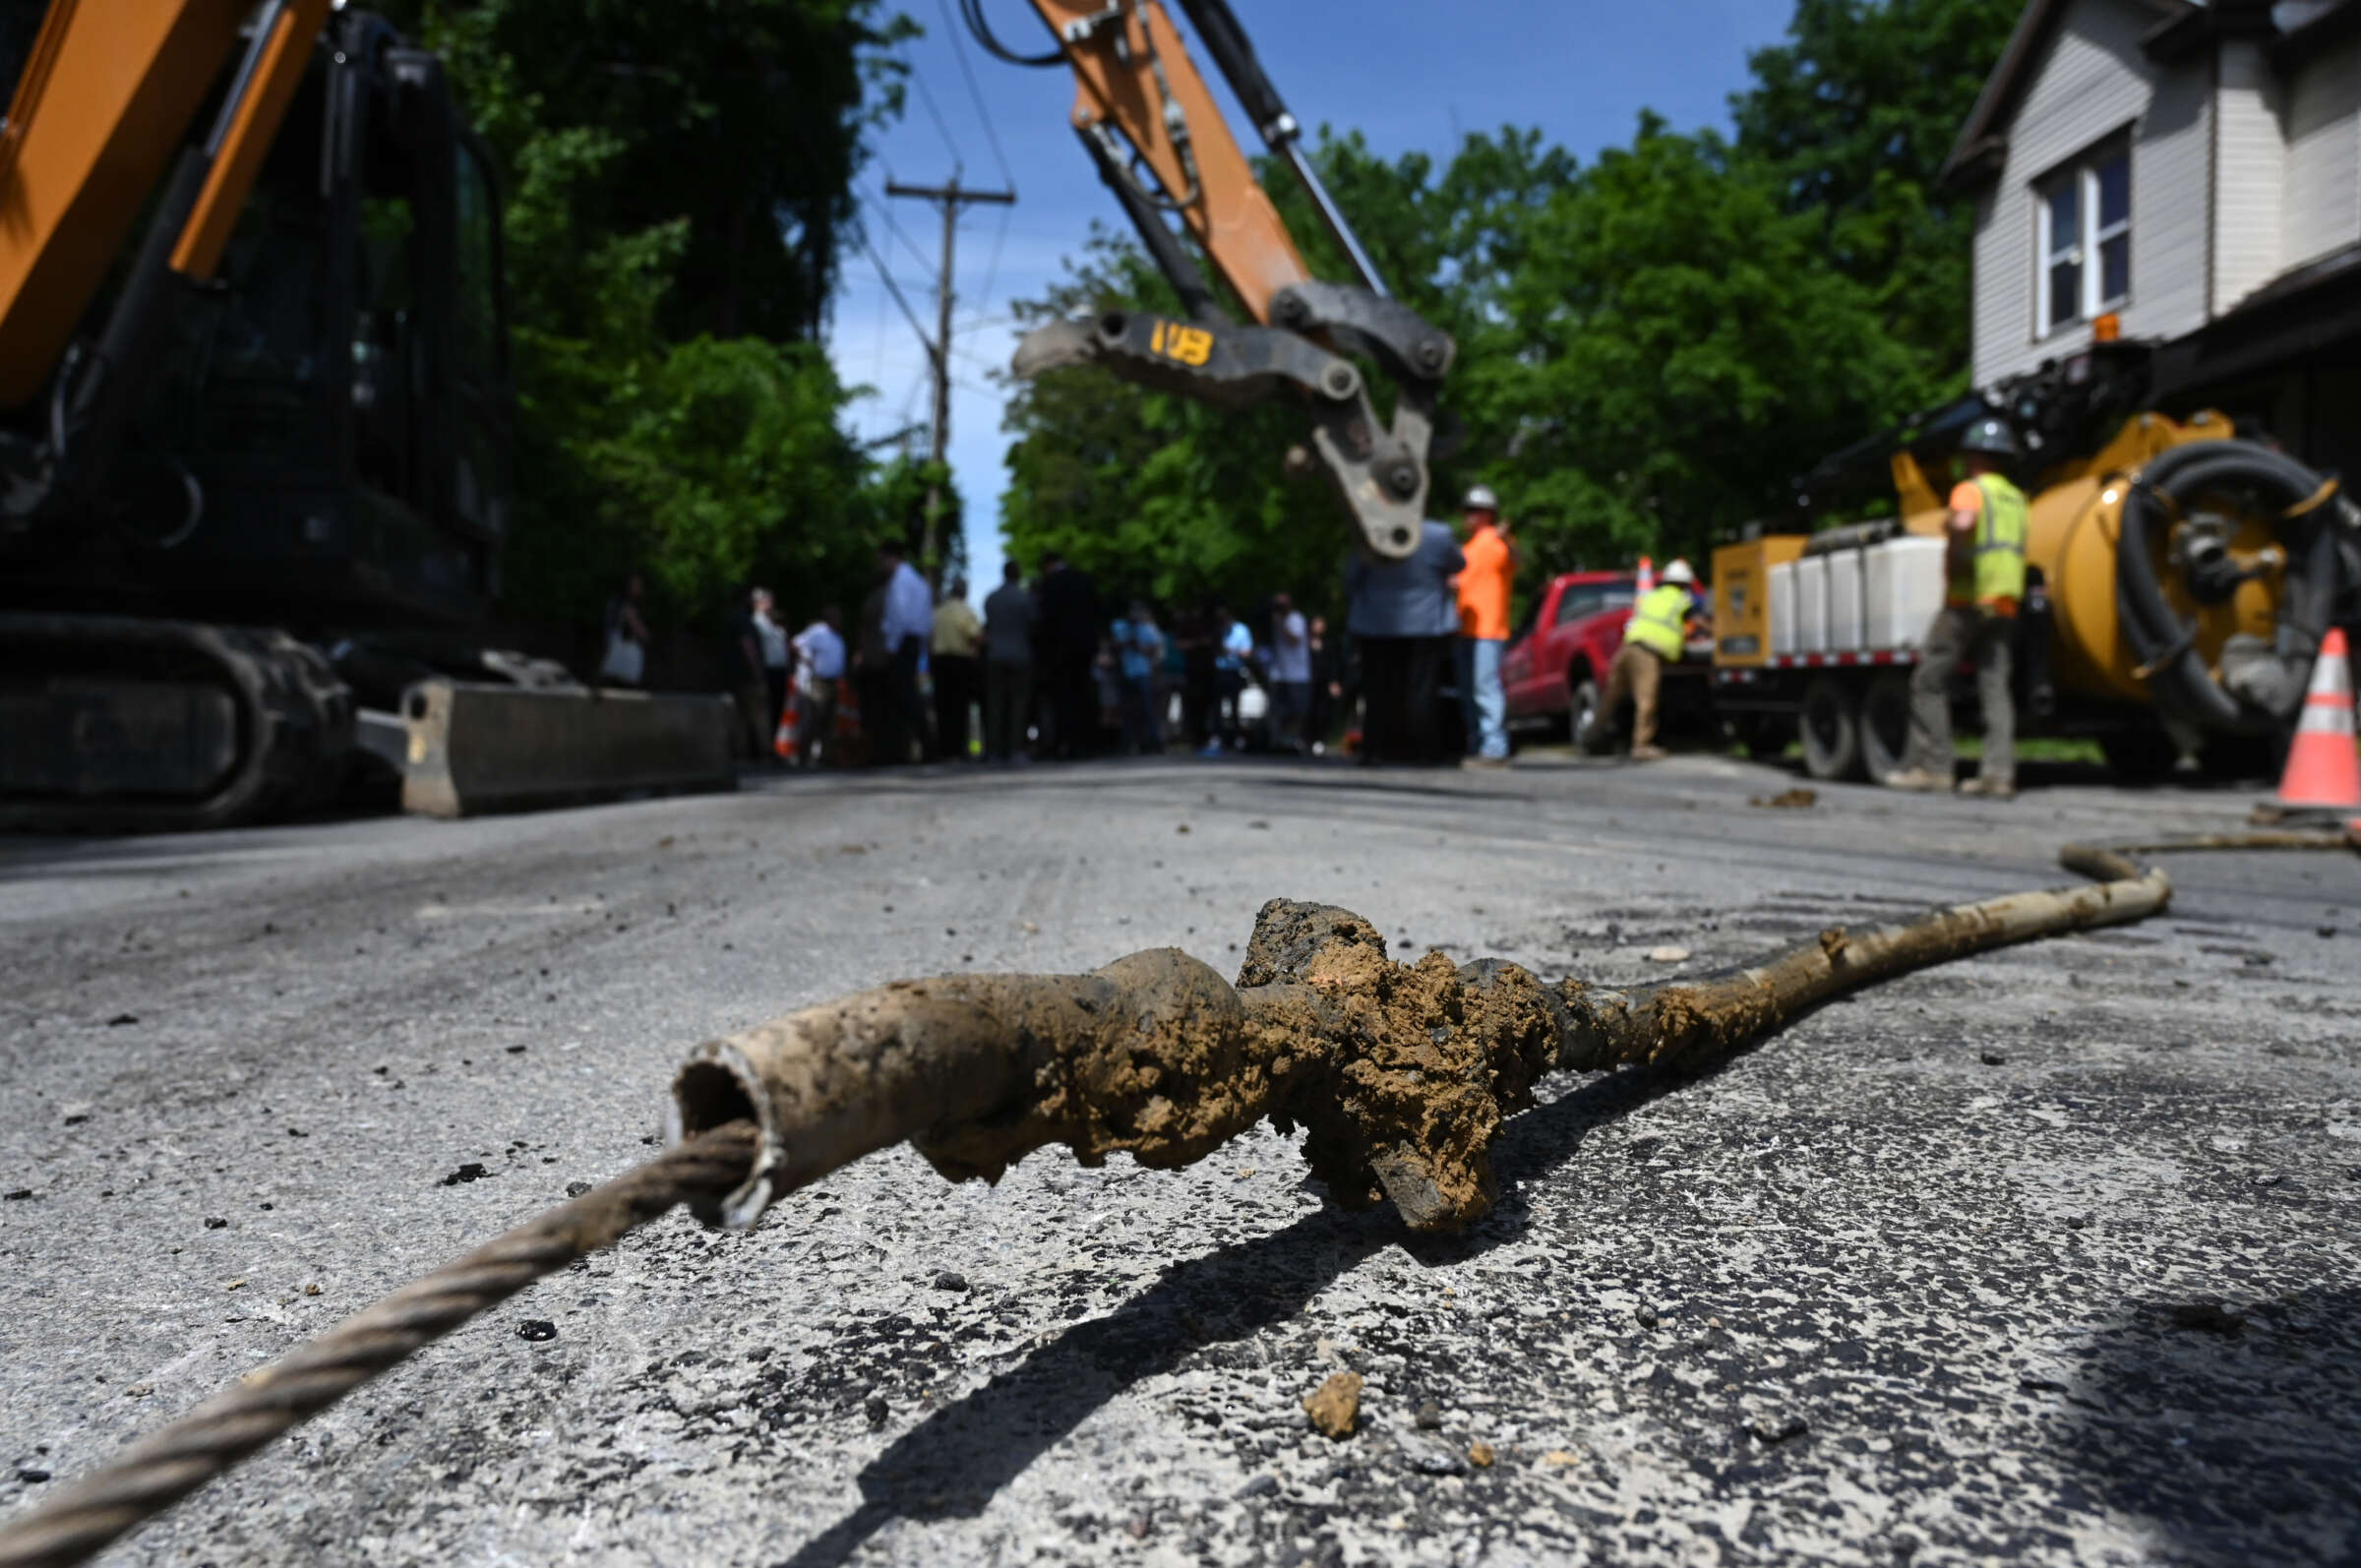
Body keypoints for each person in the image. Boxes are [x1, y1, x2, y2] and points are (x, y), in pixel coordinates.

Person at [1889, 417, 2028, 798]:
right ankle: (1998, 775)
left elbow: (1964, 522)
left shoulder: (1970, 490)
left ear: (1974, 457)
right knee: (1995, 688)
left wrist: (1955, 537)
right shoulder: (2016, 498)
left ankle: (1934, 769)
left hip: (1969, 599)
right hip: (2005, 601)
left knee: (1928, 680)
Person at [1346, 519, 1465, 763]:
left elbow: (1351, 577)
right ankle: (1423, 750)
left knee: (1378, 691)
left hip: (1377, 624)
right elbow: (1459, 564)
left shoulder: (1371, 531)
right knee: (1422, 691)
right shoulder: (1439, 534)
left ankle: (1375, 749)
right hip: (1426, 623)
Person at [1582, 558, 1699, 762]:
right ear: (1684, 583)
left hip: (1627, 647)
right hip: (1647, 653)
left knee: (1610, 697)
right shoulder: (1682, 600)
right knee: (1647, 700)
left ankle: (1591, 739)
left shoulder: (1652, 595)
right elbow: (1697, 621)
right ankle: (1641, 746)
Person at [1452, 486, 1517, 768]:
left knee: (1485, 689)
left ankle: (1495, 749)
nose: (1467, 517)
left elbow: (1516, 559)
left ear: (1488, 514)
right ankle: (1478, 745)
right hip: (1465, 629)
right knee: (1469, 691)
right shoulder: (1467, 548)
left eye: (1473, 511)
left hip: (1488, 630)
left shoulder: (1495, 542)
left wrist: (1509, 542)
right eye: (1465, 511)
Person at [1034, 553, 1101, 759]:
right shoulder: (1084, 580)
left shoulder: (1050, 584)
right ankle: (1088, 742)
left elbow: (1045, 620)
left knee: (1064, 697)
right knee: (1084, 692)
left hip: (1060, 649)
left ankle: (1067, 742)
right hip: (1085, 646)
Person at [876, 541, 933, 765]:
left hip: (902, 641)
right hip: (914, 640)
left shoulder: (900, 582)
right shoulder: (918, 582)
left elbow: (898, 618)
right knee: (906, 694)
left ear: (891, 558)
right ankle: (917, 746)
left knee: (902, 696)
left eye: (881, 560)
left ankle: (901, 749)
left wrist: (890, 647)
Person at [982, 560, 1034, 762]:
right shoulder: (1024, 599)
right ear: (1018, 574)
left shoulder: (991, 599)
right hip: (1020, 654)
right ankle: (1015, 749)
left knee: (995, 703)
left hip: (995, 654)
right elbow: (1033, 623)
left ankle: (994, 749)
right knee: (1018, 704)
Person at [931, 575, 982, 761]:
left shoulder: (938, 611)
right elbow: (975, 636)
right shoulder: (966, 611)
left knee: (943, 707)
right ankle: (959, 749)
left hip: (939, 661)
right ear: (964, 592)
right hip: (960, 662)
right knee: (959, 707)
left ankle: (945, 748)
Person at [791, 605, 846, 768]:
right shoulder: (818, 631)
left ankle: (826, 755)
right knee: (813, 718)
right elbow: (796, 644)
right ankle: (804, 755)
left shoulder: (837, 637)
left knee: (828, 720)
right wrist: (807, 661)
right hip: (818, 681)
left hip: (833, 681)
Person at [1113, 601, 1167, 754]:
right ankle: (1128, 743)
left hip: (1142, 672)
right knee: (1127, 710)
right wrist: (1125, 643)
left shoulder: (1146, 629)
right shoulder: (1119, 626)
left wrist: (1139, 646)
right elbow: (1113, 644)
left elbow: (1155, 650)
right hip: (1125, 672)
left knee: (1148, 709)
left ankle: (1152, 742)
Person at [725, 586, 770, 760]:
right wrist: (757, 671)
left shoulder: (730, 618)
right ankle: (765, 752)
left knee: (740, 717)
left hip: (733, 676)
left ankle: (741, 752)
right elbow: (748, 646)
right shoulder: (744, 620)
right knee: (759, 714)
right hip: (748, 675)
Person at [1204, 604, 1254, 756]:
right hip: (1220, 671)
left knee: (1235, 705)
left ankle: (1237, 738)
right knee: (1218, 706)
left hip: (1235, 671)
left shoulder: (1241, 630)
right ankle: (1217, 737)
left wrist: (1232, 651)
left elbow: (1248, 652)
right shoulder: (1217, 631)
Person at [1268, 592, 1313, 753]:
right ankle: (1278, 742)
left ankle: (1293, 741)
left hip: (1297, 674)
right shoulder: (1273, 620)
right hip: (1279, 673)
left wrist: (1280, 624)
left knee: (1297, 711)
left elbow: (1294, 640)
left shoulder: (1296, 619)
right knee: (1278, 711)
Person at [600, 573, 649, 688]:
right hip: (624, 645)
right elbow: (635, 625)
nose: (639, 588)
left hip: (620, 644)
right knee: (623, 680)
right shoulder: (626, 603)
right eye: (636, 585)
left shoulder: (622, 602)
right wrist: (644, 635)